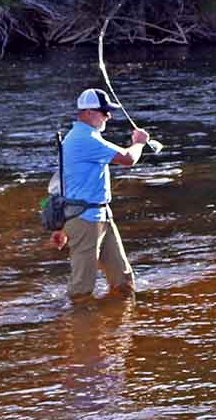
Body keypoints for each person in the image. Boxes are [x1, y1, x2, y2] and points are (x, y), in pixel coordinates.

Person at [49, 87, 149, 300]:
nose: (108, 116)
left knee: (123, 281)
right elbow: (128, 159)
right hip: (85, 220)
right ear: (88, 112)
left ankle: (119, 326)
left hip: (100, 216)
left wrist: (59, 226)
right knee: (82, 290)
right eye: (104, 111)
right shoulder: (84, 138)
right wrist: (139, 142)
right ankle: (76, 328)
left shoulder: (86, 136)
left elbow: (62, 184)